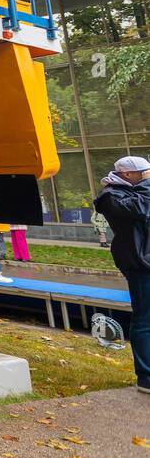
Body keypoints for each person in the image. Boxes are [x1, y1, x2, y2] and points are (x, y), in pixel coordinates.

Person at [93, 154, 150, 394]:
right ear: (128, 175)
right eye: (145, 173)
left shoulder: (138, 191)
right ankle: (146, 377)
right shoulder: (111, 196)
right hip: (140, 264)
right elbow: (140, 208)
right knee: (145, 320)